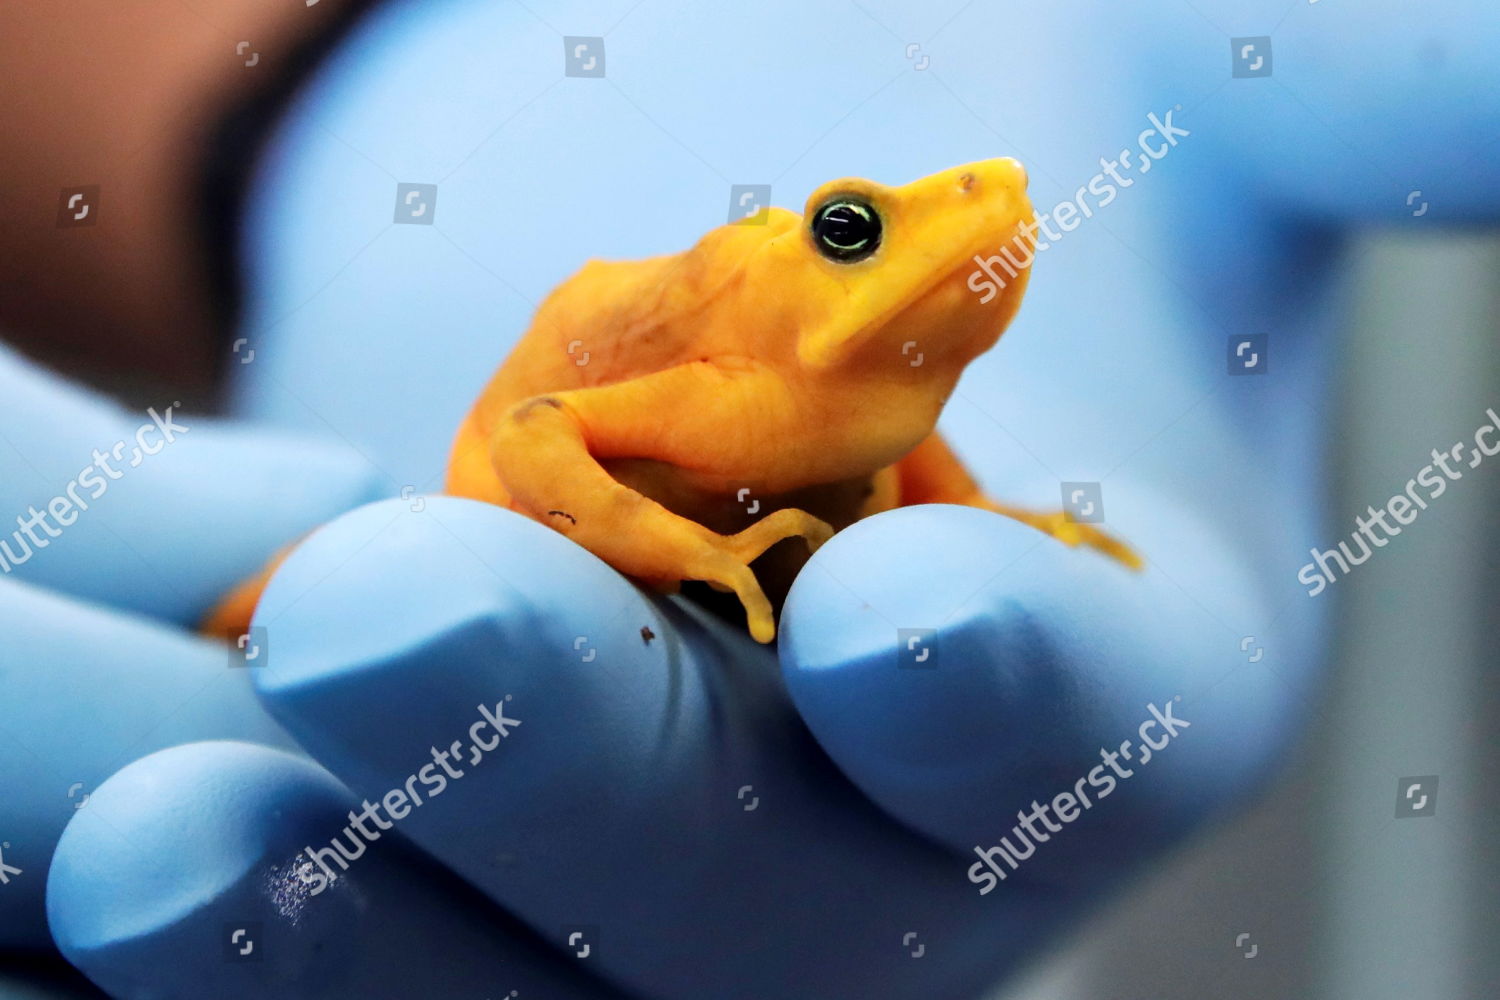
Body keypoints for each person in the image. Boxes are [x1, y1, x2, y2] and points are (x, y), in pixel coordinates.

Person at [3, 0, 1495, 996]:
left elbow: (908, 469)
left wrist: (1002, 526)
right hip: (488, 531)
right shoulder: (735, 397)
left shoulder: (881, 401)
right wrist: (664, 547)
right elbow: (535, 426)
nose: (972, 216)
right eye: (857, 230)